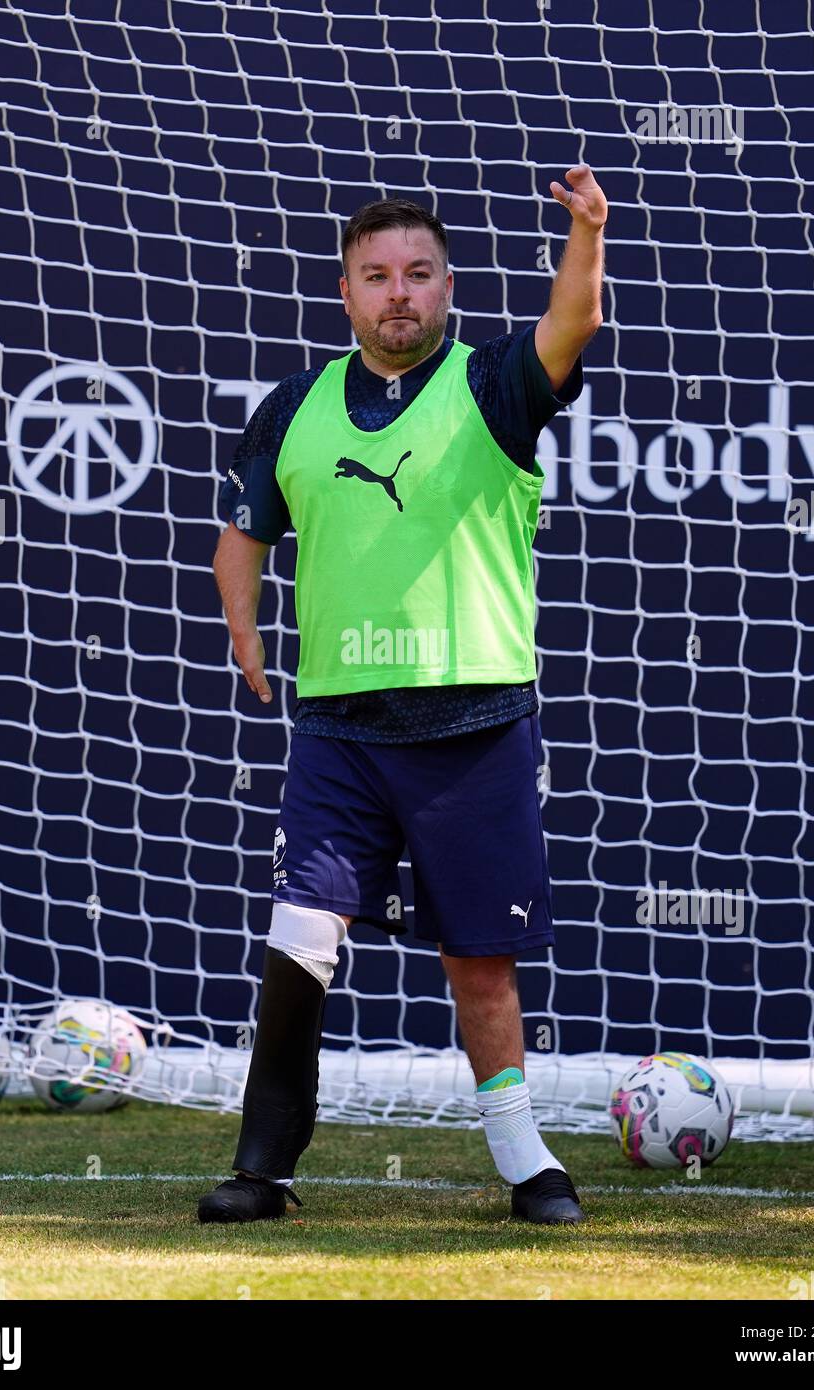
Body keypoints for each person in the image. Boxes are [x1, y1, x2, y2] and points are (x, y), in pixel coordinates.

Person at [199, 168, 607, 1225]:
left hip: (474, 722)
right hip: (339, 727)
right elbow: (242, 533)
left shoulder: (498, 385)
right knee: (300, 934)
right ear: (346, 293)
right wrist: (244, 627)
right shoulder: (293, 406)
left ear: (447, 287)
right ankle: (263, 1167)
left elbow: (573, 320)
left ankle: (526, 1165)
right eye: (377, 277)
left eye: (418, 275)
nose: (399, 295)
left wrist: (586, 234)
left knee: (479, 959)